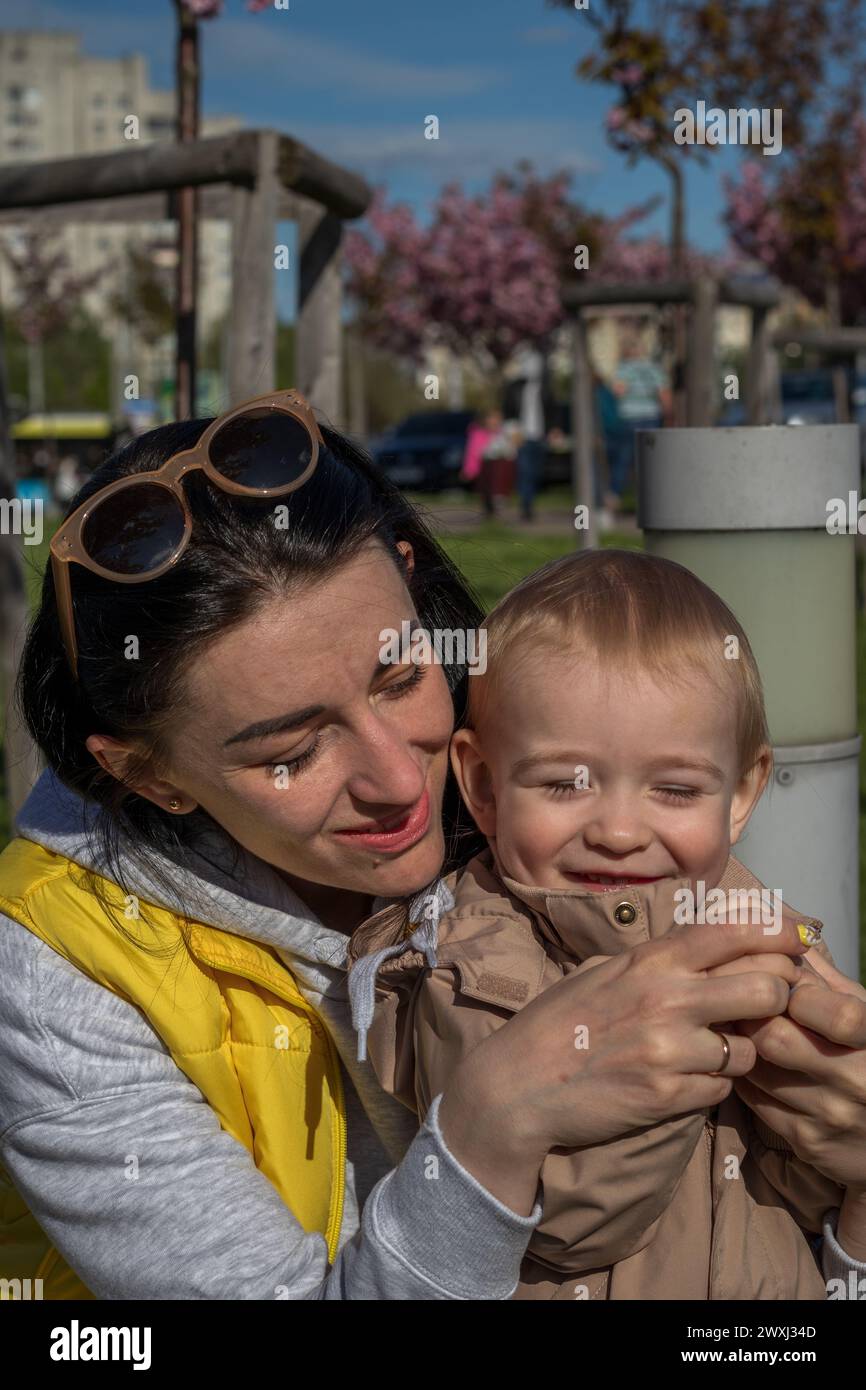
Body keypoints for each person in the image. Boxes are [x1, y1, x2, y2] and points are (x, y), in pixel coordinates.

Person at [1, 391, 864, 1301]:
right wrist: (491, 1129)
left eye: (403, 674)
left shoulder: (534, 765)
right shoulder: (52, 972)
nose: (404, 782)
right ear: (149, 777)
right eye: (293, 754)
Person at [349, 547, 866, 1299]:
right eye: (565, 783)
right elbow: (573, 1219)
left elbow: (817, 1191)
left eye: (675, 789)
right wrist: (693, 1034)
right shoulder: (470, 963)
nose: (619, 830)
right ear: (485, 787)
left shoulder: (767, 932)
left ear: (743, 793)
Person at [609, 328, 670, 507]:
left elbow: (618, 391)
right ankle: (654, 497)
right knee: (650, 459)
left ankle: (614, 496)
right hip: (651, 415)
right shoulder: (653, 368)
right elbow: (664, 395)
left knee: (624, 457)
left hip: (629, 416)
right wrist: (666, 413)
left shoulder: (623, 369)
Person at [503, 345, 556, 523]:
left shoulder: (546, 388)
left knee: (535, 472)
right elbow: (508, 411)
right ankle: (526, 506)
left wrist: (554, 430)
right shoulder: (514, 388)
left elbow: (552, 411)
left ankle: (529, 501)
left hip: (540, 437)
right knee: (525, 471)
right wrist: (513, 432)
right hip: (522, 437)